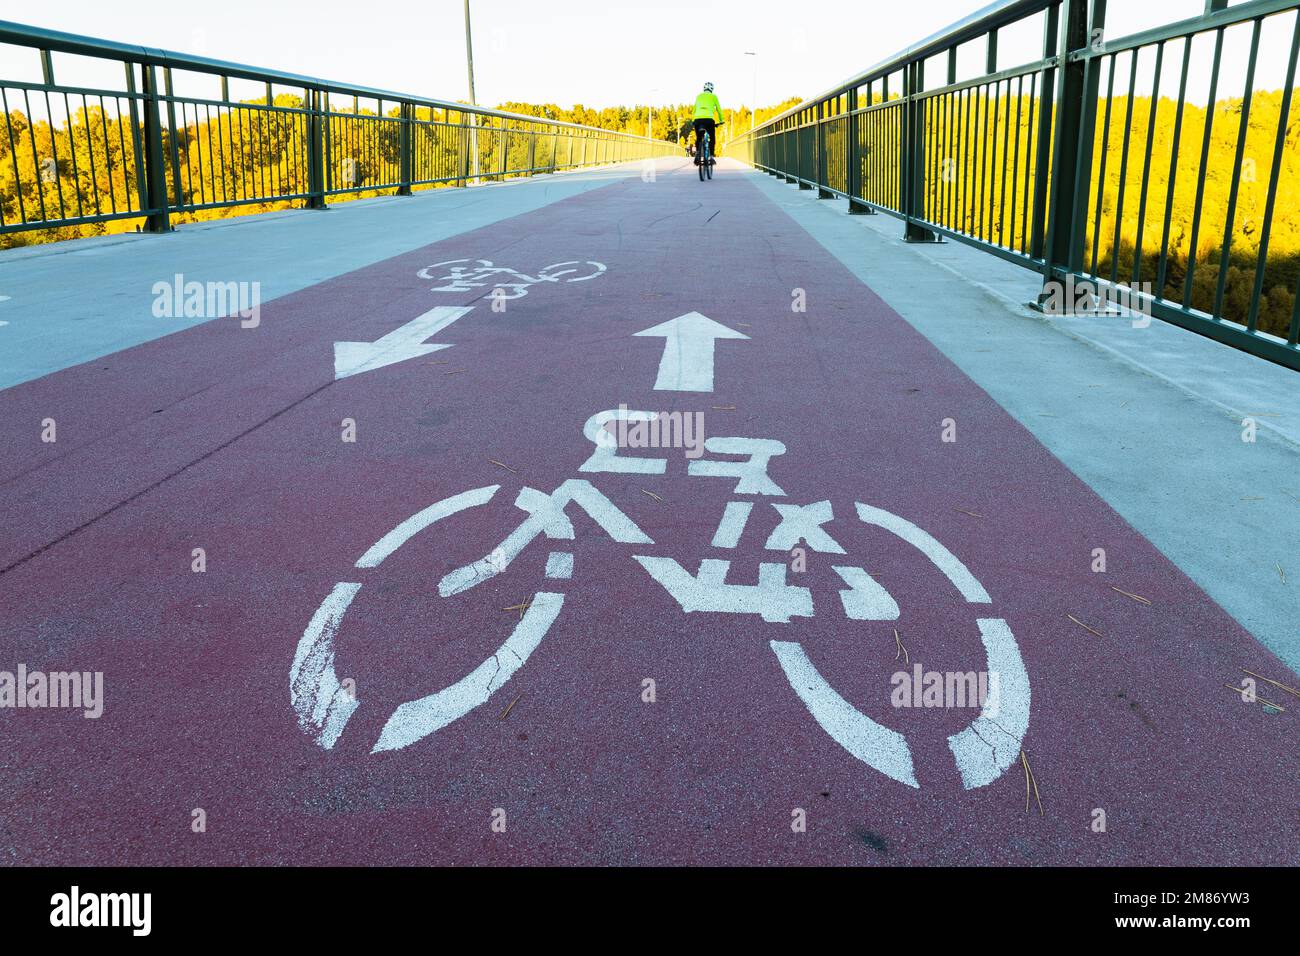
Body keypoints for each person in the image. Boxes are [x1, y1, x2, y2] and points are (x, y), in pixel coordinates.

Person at [691, 82, 723, 166]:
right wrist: (721, 120)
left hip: (698, 119)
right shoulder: (714, 96)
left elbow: (693, 110)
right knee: (712, 137)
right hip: (709, 120)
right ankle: (711, 157)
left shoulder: (698, 96)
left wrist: (693, 120)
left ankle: (697, 154)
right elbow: (719, 109)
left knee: (699, 137)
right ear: (712, 89)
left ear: (704, 88)